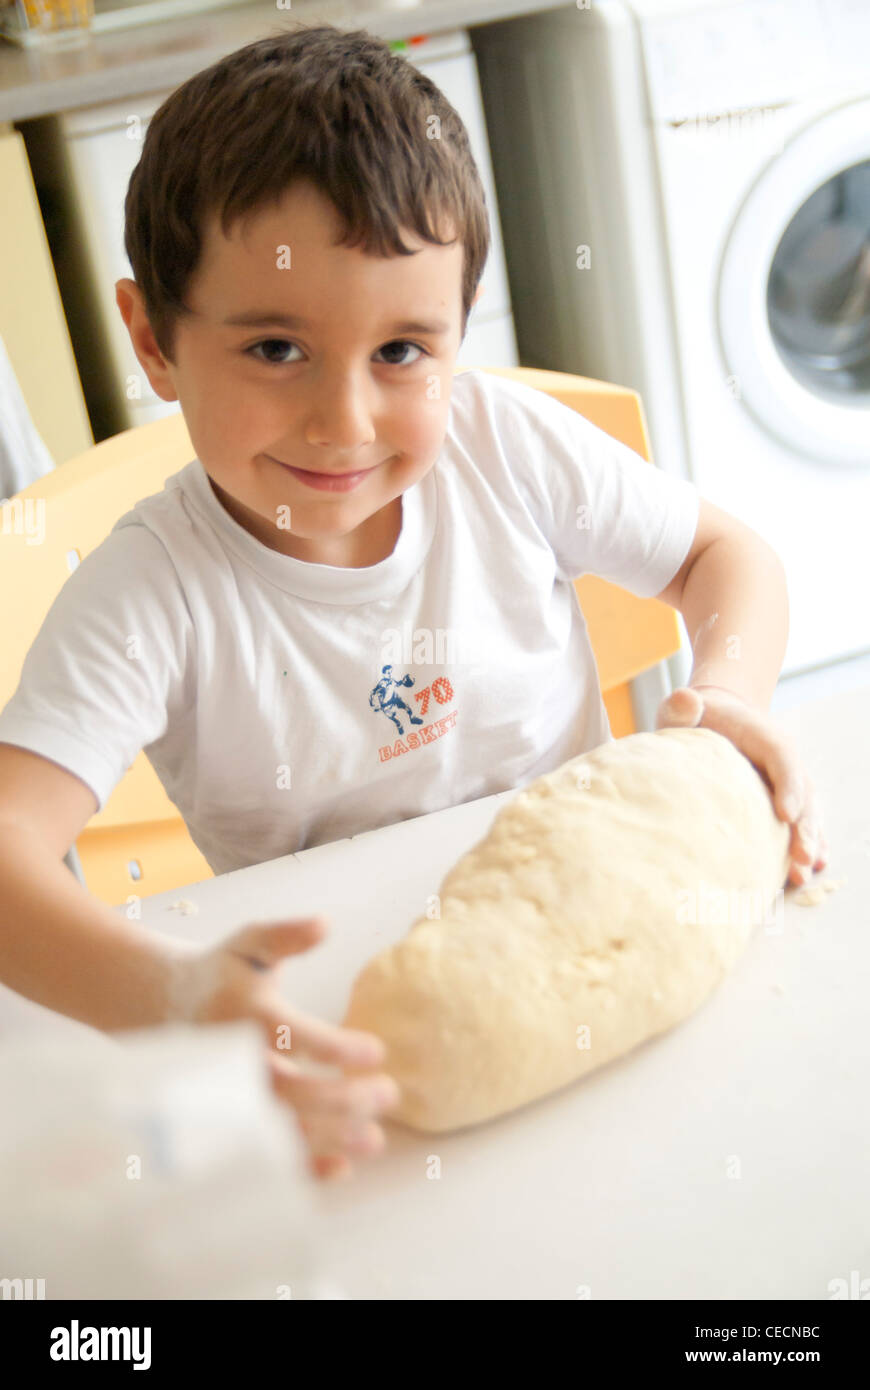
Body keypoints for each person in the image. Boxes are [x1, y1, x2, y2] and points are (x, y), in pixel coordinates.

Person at [0, 25, 827, 1182]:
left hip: (593, 943)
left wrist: (727, 694)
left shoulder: (506, 447)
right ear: (155, 341)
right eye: (278, 347)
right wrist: (174, 993)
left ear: (461, 327)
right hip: (344, 1034)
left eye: (401, 350)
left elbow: (725, 556)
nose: (345, 422)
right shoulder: (152, 596)